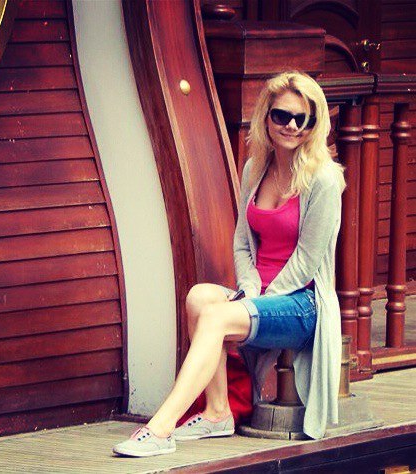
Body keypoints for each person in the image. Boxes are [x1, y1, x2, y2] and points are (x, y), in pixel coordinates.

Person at [113, 71, 345, 457]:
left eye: (303, 119)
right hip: (258, 296)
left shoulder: (323, 180)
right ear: (266, 117)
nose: (291, 126)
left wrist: (256, 302)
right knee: (199, 298)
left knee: (218, 316)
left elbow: (306, 262)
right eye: (282, 115)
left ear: (314, 125)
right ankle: (218, 411)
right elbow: (242, 243)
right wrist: (249, 292)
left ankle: (160, 428)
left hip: (301, 305)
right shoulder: (255, 169)